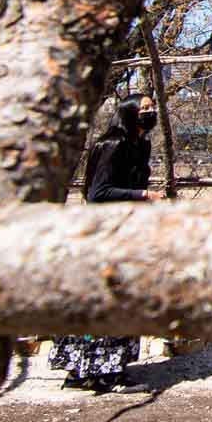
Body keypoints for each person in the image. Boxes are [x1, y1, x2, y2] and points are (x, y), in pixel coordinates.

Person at [50, 95, 162, 391]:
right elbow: (98, 193)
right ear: (129, 114)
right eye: (145, 109)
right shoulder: (112, 145)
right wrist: (143, 196)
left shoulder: (141, 145)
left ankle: (107, 368)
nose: (151, 113)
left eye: (151, 108)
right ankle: (95, 371)